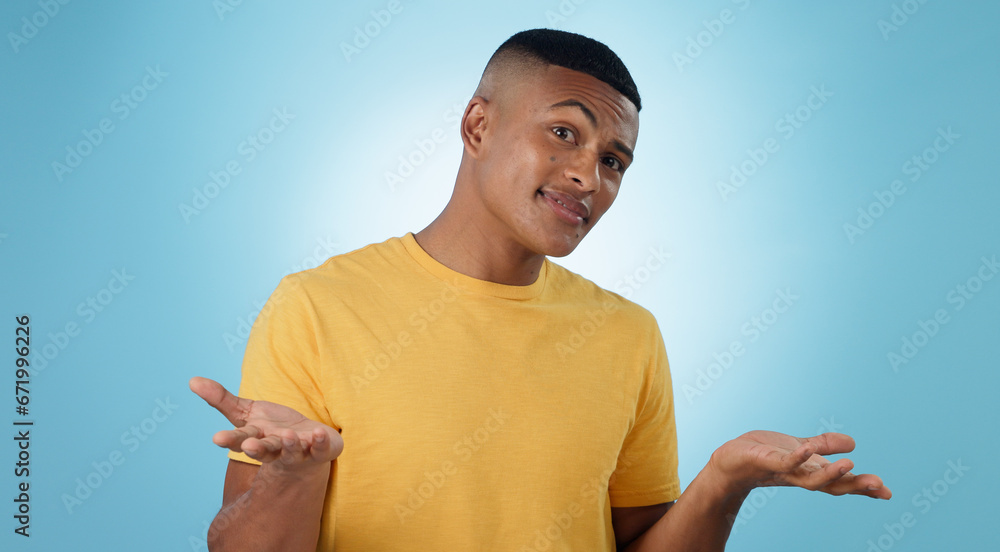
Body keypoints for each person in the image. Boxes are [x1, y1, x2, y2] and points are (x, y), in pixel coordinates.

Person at [190, 28, 890, 551]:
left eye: (614, 160)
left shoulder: (626, 334)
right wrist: (293, 478)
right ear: (478, 125)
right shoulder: (317, 305)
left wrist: (723, 483)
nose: (590, 176)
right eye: (564, 132)